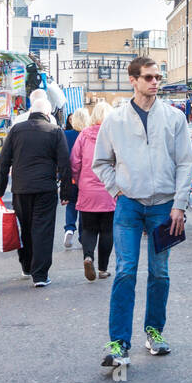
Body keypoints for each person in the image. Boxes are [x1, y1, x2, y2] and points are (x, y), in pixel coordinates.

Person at [91, 57, 192, 369]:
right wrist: (116, 190)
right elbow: (101, 162)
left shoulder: (174, 118)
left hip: (164, 206)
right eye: (148, 77)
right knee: (125, 270)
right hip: (129, 205)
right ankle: (119, 342)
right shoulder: (116, 120)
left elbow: (186, 162)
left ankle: (154, 332)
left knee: (159, 272)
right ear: (133, 80)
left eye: (157, 77)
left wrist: (179, 204)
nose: (155, 83)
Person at [0, 89, 71, 288]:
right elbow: (64, 164)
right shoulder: (55, 132)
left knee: (25, 228)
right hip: (45, 188)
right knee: (42, 230)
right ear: (48, 114)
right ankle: (40, 275)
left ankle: (26, 266)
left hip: (21, 188)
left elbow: (3, 162)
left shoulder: (17, 130)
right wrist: (65, 193)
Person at [69, 101, 115, 281]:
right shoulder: (114, 135)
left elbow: (75, 161)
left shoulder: (84, 135)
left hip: (87, 189)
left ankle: (88, 256)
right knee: (107, 230)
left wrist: (77, 179)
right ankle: (103, 268)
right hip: (109, 189)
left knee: (88, 228)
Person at [62, 108, 90, 249]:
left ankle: (69, 228)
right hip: (86, 177)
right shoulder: (89, 135)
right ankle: (83, 236)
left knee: (72, 204)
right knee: (84, 207)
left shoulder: (65, 135)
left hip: (70, 176)